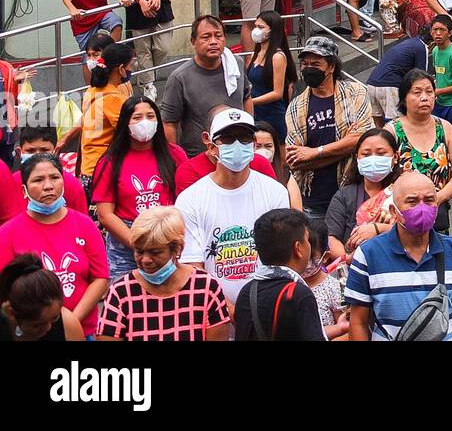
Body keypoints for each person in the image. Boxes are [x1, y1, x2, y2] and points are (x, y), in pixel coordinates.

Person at [346, 170, 452, 341]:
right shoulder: (368, 254)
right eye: (412, 201)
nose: (422, 207)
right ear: (394, 212)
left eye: (429, 200)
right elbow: (358, 322)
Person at [176, 107, 291, 304]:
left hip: (266, 309)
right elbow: (194, 270)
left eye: (244, 138)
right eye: (228, 139)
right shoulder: (190, 200)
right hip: (213, 314)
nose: (237, 145)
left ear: (253, 144)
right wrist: (233, 313)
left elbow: (282, 261)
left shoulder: (275, 192)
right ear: (212, 147)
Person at [0, 153, 108, 336]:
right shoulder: (8, 232)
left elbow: (100, 278)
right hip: (31, 334)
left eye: (55, 177)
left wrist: (70, 321)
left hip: (83, 330)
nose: (48, 186)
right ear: (24, 190)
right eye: (38, 180)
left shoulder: (85, 225)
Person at [90, 95, 187, 282]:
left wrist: (165, 241)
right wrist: (140, 244)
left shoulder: (175, 155)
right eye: (137, 117)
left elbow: (187, 201)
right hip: (125, 247)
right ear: (126, 123)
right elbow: (105, 214)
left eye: (150, 116)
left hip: (169, 240)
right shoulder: (109, 162)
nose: (145, 122)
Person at [98, 204, 230, 341]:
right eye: (139, 251)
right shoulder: (121, 292)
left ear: (177, 249)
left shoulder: (205, 287)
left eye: (155, 252)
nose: (146, 260)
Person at [284, 36, 369, 226]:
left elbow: (363, 140)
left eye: (316, 63)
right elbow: (296, 161)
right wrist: (345, 147)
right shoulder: (296, 107)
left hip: (352, 193)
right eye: (304, 63)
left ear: (331, 67)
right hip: (313, 199)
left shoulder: (356, 93)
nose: (308, 68)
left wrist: (315, 152)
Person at [161, 15, 253, 157]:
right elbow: (169, 123)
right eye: (206, 37)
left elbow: (246, 98)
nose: (213, 42)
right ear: (193, 41)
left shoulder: (236, 64)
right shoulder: (179, 78)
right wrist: (176, 160)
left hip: (238, 153)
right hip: (198, 157)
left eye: (218, 36)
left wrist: (249, 133)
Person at [385, 70, 452, 232]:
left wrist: (437, 199)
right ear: (404, 98)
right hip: (400, 219)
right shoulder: (392, 131)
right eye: (417, 92)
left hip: (437, 214)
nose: (424, 97)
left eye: (429, 92)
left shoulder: (445, 128)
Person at [232, 209, 326, 341]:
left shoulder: (247, 292)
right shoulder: (298, 294)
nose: (310, 245)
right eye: (307, 240)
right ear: (298, 248)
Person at [324, 128, 400, 262]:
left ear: (395, 157)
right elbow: (331, 237)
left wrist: (380, 228)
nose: (373, 159)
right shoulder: (345, 195)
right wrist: (348, 259)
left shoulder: (405, 191)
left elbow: (417, 229)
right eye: (366, 154)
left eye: (381, 153)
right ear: (357, 158)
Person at [75, 42, 136, 184]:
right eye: (130, 66)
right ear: (121, 69)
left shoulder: (92, 91)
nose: (131, 69)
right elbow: (128, 133)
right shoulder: (114, 98)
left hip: (88, 167)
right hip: (104, 171)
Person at [0, 254, 85, 341]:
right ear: (11, 314)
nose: (48, 327)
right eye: (37, 325)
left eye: (55, 318)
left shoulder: (68, 324)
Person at [247, 10, 296, 141]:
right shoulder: (254, 55)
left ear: (272, 30)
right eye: (255, 26)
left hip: (272, 113)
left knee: (279, 154)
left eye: (261, 27)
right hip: (255, 112)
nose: (256, 30)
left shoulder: (277, 57)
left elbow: (277, 93)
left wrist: (250, 102)